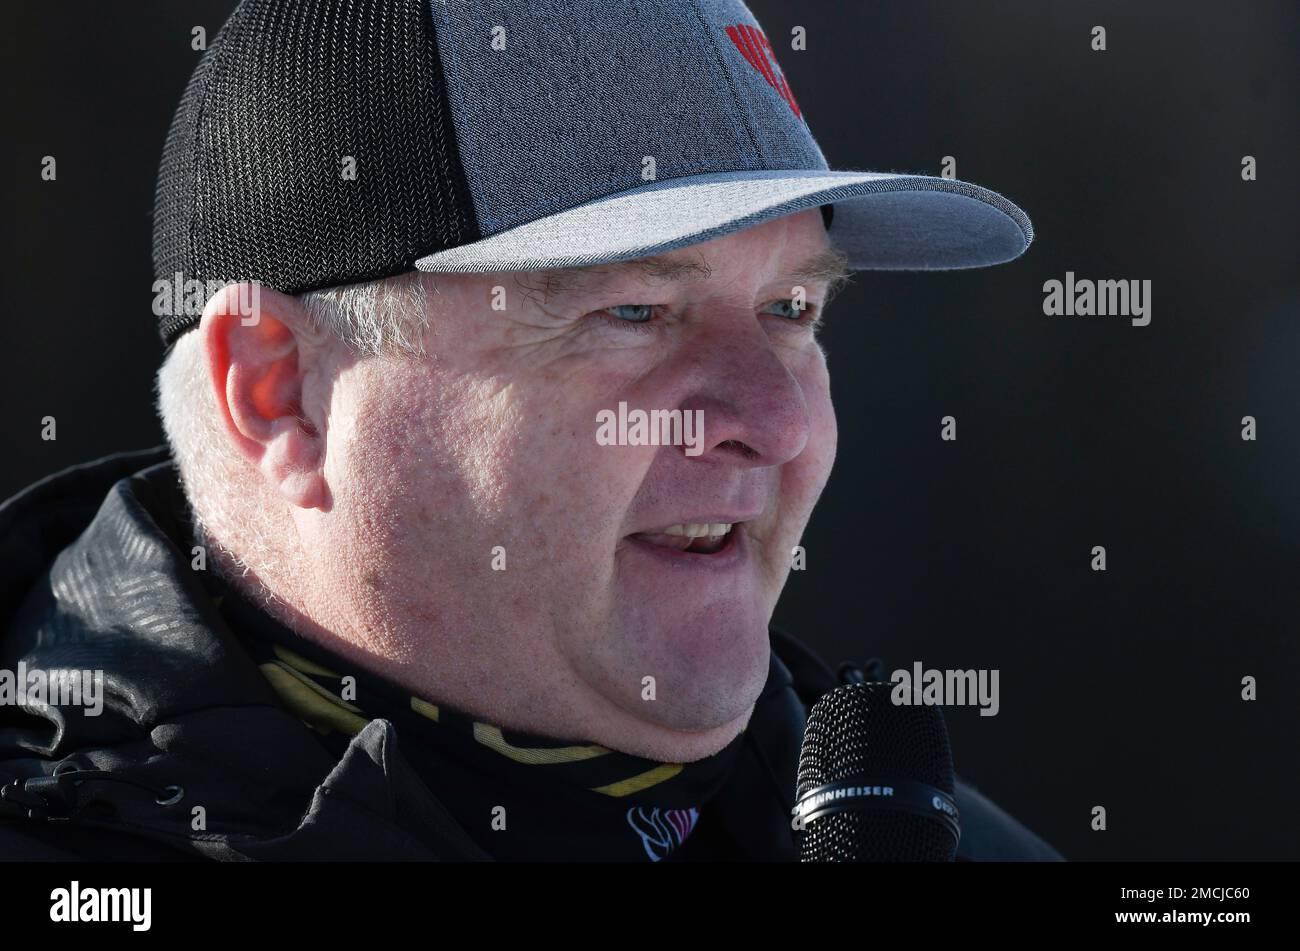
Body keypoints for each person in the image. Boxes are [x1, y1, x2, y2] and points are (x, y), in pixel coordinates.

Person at [0, 0, 1058, 861]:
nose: (775, 423)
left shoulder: (920, 838)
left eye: (790, 311)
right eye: (633, 313)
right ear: (278, 393)